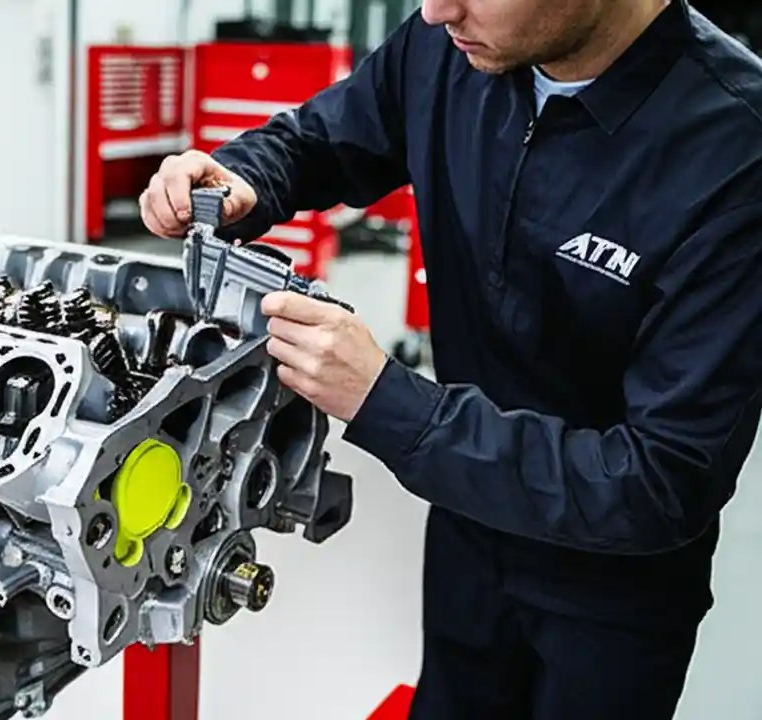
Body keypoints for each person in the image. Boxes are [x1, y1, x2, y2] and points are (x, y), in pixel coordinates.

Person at [140, 0, 762, 718]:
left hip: (610, 593)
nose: (436, 10)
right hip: (467, 532)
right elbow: (324, 138)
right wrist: (243, 178)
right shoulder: (455, 46)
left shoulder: (734, 154)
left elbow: (662, 480)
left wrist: (391, 402)